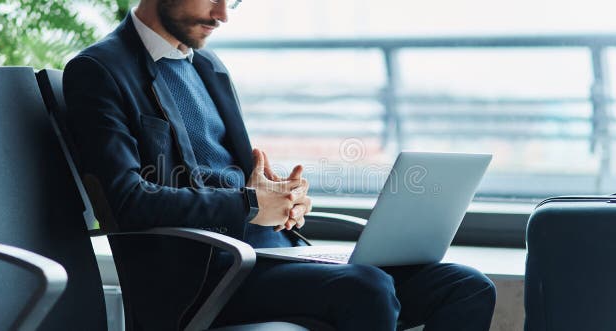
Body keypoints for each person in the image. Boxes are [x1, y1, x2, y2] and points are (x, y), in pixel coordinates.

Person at [63, 0, 496, 330]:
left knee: (464, 286)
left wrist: (280, 199)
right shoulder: (100, 71)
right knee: (367, 289)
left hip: (271, 255)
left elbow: (238, 178)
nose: (222, 15)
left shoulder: (208, 66)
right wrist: (249, 204)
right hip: (205, 277)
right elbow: (127, 200)